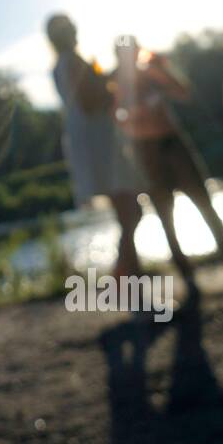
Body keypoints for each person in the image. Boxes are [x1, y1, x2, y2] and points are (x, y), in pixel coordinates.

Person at [113, 34, 223, 292]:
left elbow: (184, 93)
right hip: (145, 150)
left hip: (173, 142)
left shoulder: (152, 71)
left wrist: (161, 71)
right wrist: (136, 110)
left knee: (204, 203)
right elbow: (117, 119)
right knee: (165, 214)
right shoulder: (113, 83)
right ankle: (188, 279)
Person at [45, 14, 144, 277]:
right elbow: (90, 102)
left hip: (91, 141)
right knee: (130, 211)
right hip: (99, 142)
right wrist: (116, 80)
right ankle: (123, 280)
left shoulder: (63, 64)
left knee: (128, 212)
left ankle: (127, 280)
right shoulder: (72, 62)